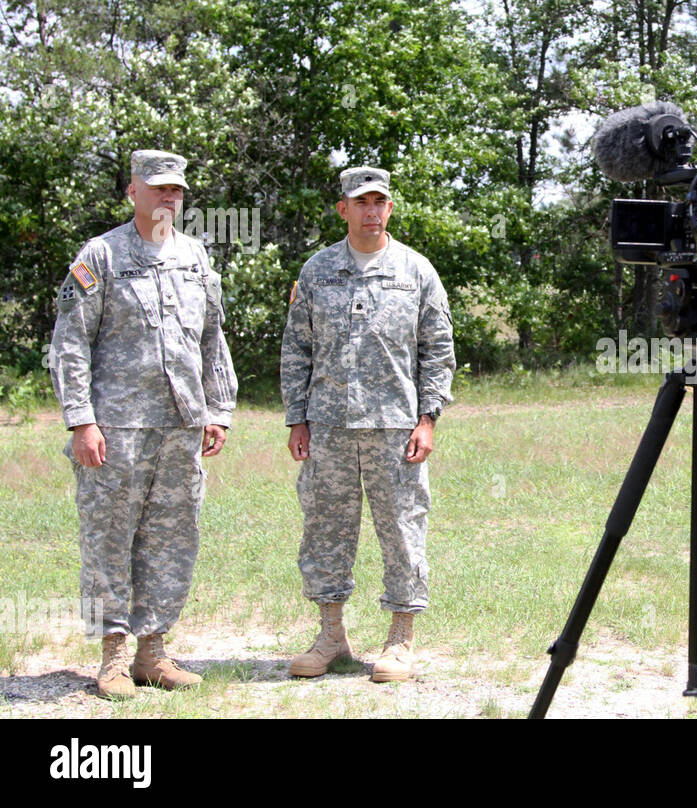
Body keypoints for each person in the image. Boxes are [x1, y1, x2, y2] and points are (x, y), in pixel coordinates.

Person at [51, 149, 238, 699]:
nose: (168, 197)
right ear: (132, 191)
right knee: (109, 538)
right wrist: (82, 421)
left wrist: (218, 408)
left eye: (176, 189)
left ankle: (152, 653)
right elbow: (70, 343)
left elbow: (211, 339)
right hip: (117, 429)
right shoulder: (101, 256)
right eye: (157, 188)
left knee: (172, 538)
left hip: (180, 426)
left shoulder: (195, 257)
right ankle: (111, 657)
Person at [281, 166, 455, 683]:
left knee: (401, 529)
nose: (371, 211)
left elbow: (438, 349)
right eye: (361, 202)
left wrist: (428, 418)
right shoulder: (318, 271)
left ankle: (400, 641)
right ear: (344, 209)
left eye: (380, 202)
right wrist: (297, 418)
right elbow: (297, 349)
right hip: (329, 427)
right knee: (325, 530)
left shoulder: (416, 271)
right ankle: (331, 637)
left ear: (390, 209)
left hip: (395, 428)